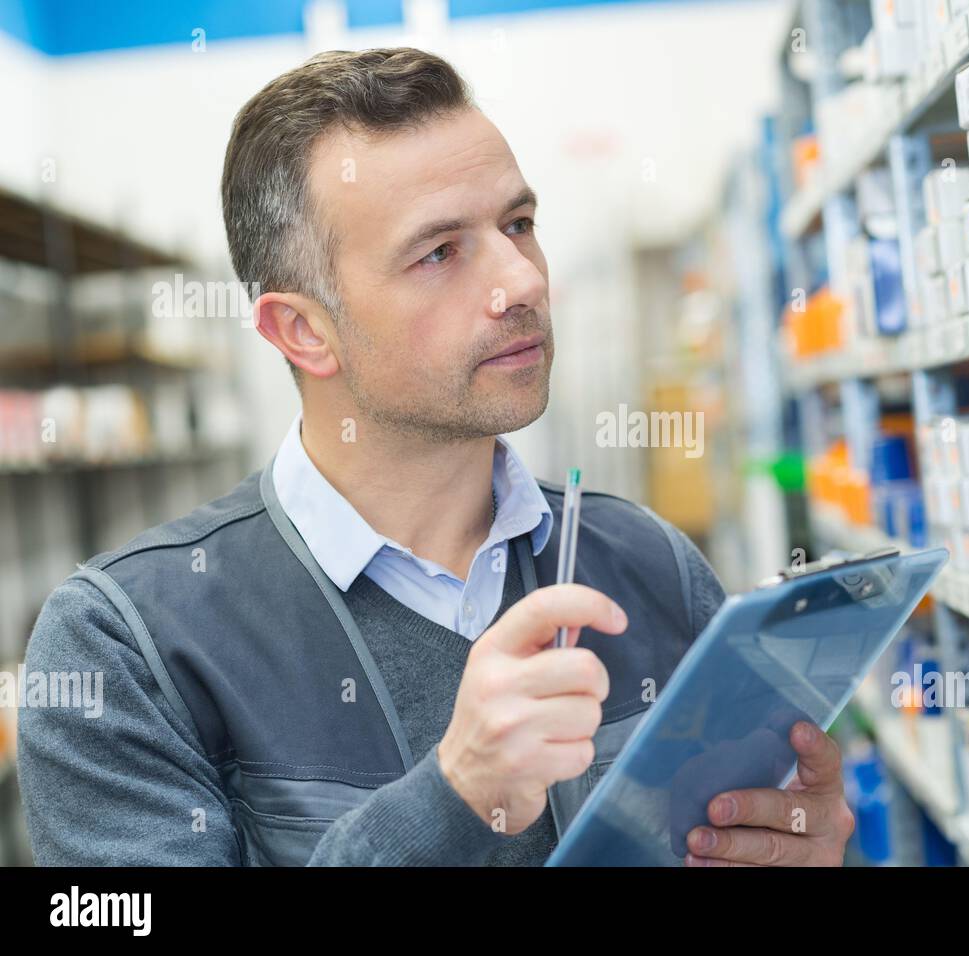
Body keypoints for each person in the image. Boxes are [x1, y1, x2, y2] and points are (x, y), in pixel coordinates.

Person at [18, 48, 854, 867]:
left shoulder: (650, 567)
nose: (521, 281)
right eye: (441, 253)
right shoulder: (126, 646)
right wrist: (450, 798)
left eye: (519, 224)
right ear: (304, 331)